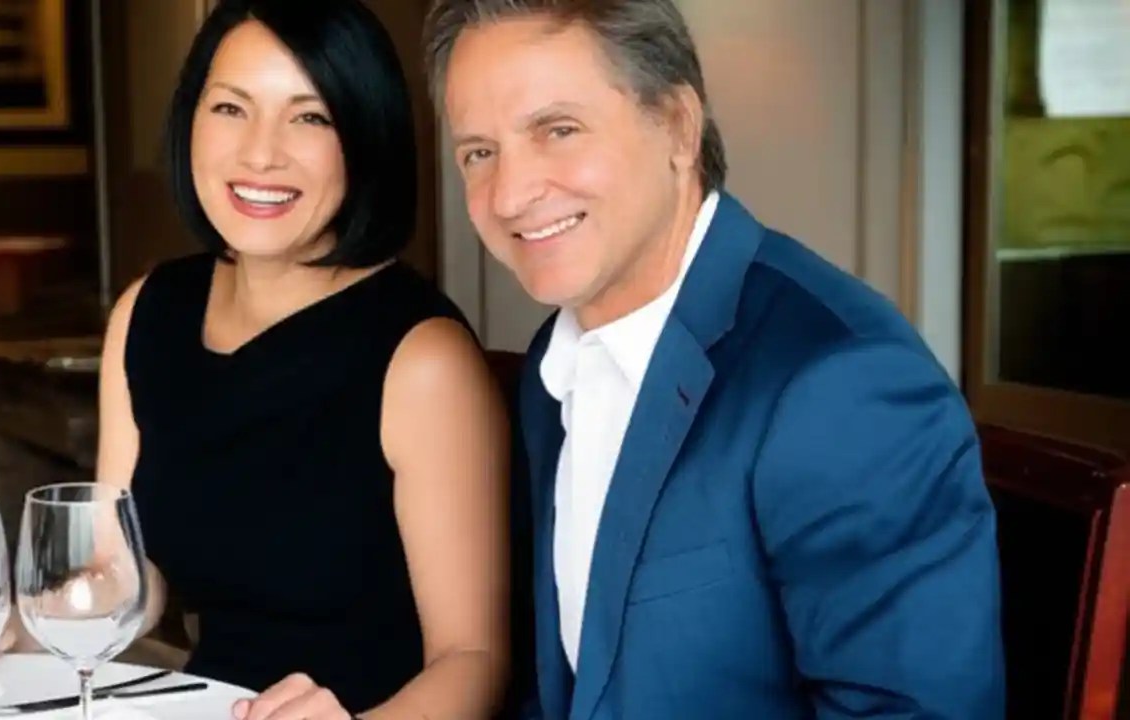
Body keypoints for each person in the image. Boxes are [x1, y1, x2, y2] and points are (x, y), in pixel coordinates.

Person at [423, 0, 1006, 718]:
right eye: (479, 152)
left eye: (558, 130)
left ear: (676, 126)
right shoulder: (559, 360)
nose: (509, 194)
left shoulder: (841, 383)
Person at [35, 1, 511, 718]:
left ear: (366, 135)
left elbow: (474, 660)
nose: (261, 153)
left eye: (310, 117)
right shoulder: (149, 311)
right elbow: (123, 572)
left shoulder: (421, 357)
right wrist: (25, 618)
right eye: (231, 108)